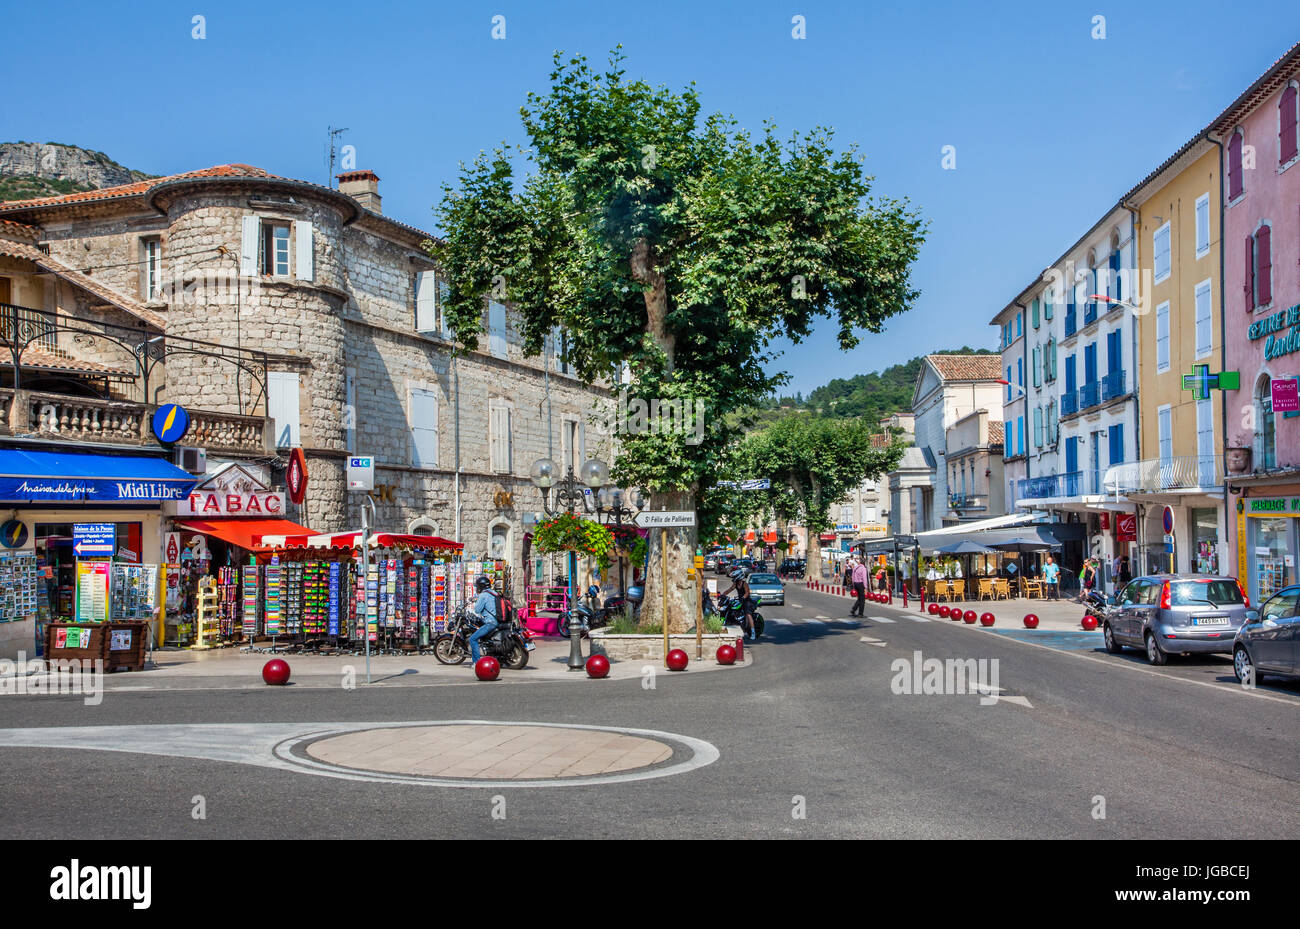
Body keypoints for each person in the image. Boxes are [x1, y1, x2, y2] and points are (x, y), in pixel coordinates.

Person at [466, 574, 500, 665]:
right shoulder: (494, 593)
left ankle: (476, 663)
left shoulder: (483, 595)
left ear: (480, 587)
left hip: (490, 622)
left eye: (477, 586)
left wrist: (476, 601)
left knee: (473, 639)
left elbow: (477, 610)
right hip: (498, 621)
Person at [722, 566, 757, 641]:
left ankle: (753, 632)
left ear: (738, 576)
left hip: (747, 601)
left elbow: (747, 592)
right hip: (740, 600)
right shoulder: (736, 584)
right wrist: (723, 595)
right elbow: (730, 589)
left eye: (735, 577)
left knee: (748, 614)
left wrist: (743, 597)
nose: (733, 578)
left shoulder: (744, 584)